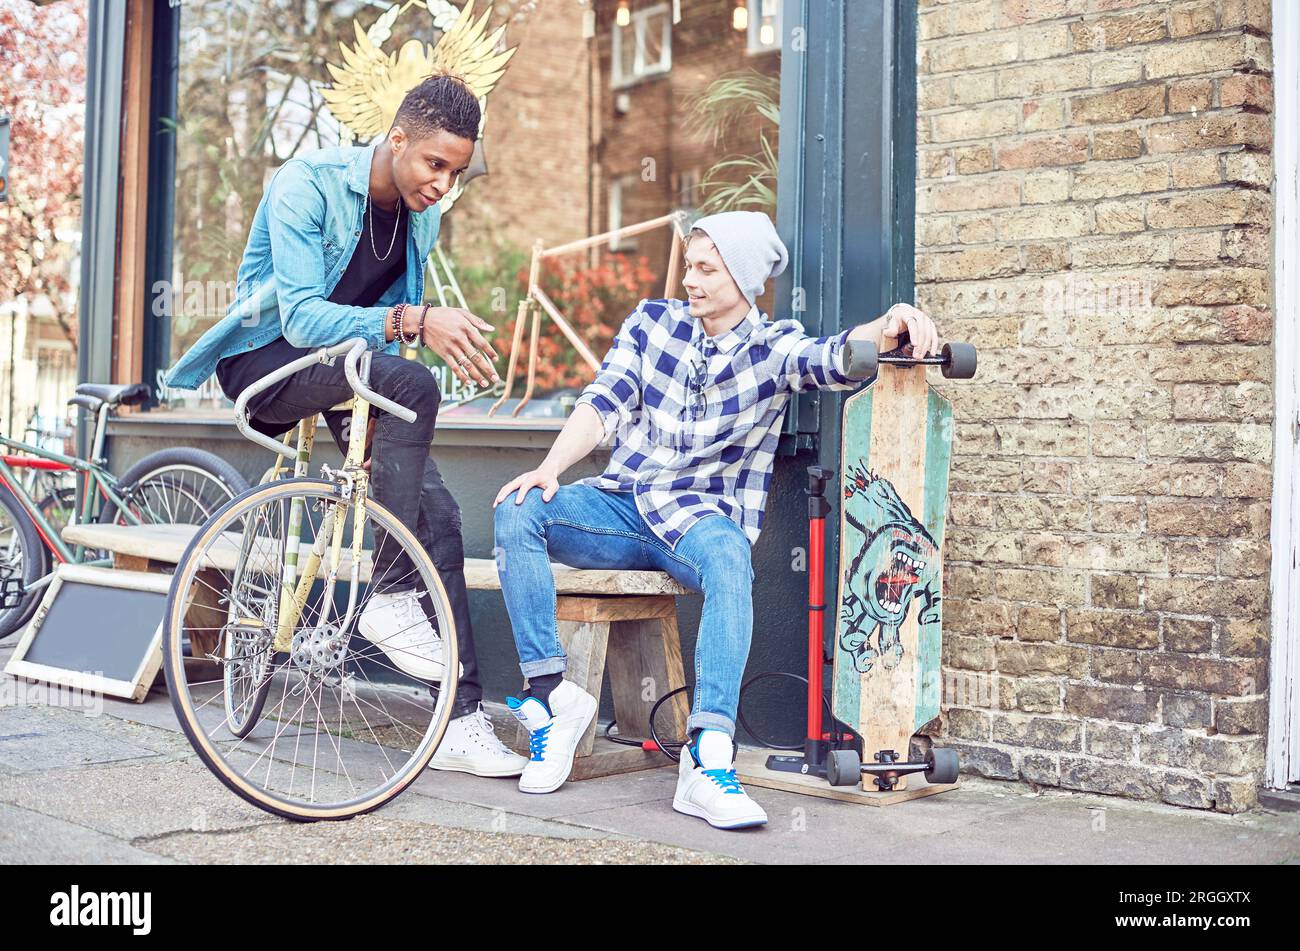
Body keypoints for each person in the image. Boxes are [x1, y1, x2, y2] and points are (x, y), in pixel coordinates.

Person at [492, 210, 942, 828]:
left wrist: (891, 324)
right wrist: (549, 468)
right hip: (622, 505)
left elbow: (837, 357)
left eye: (707, 267)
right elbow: (604, 401)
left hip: (700, 521)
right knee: (519, 506)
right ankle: (553, 699)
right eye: (689, 265)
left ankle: (707, 758)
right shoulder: (652, 324)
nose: (691, 279)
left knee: (731, 558)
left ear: (743, 277)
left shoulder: (772, 347)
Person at [165, 74, 526, 779]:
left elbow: (386, 325)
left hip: (350, 366)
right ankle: (387, 595)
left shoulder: (423, 213)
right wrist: (415, 323)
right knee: (411, 380)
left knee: (440, 515)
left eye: (455, 170)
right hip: (265, 363)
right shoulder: (306, 183)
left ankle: (459, 718)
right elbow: (300, 316)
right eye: (434, 164)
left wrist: (408, 336)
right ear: (397, 140)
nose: (443, 185)